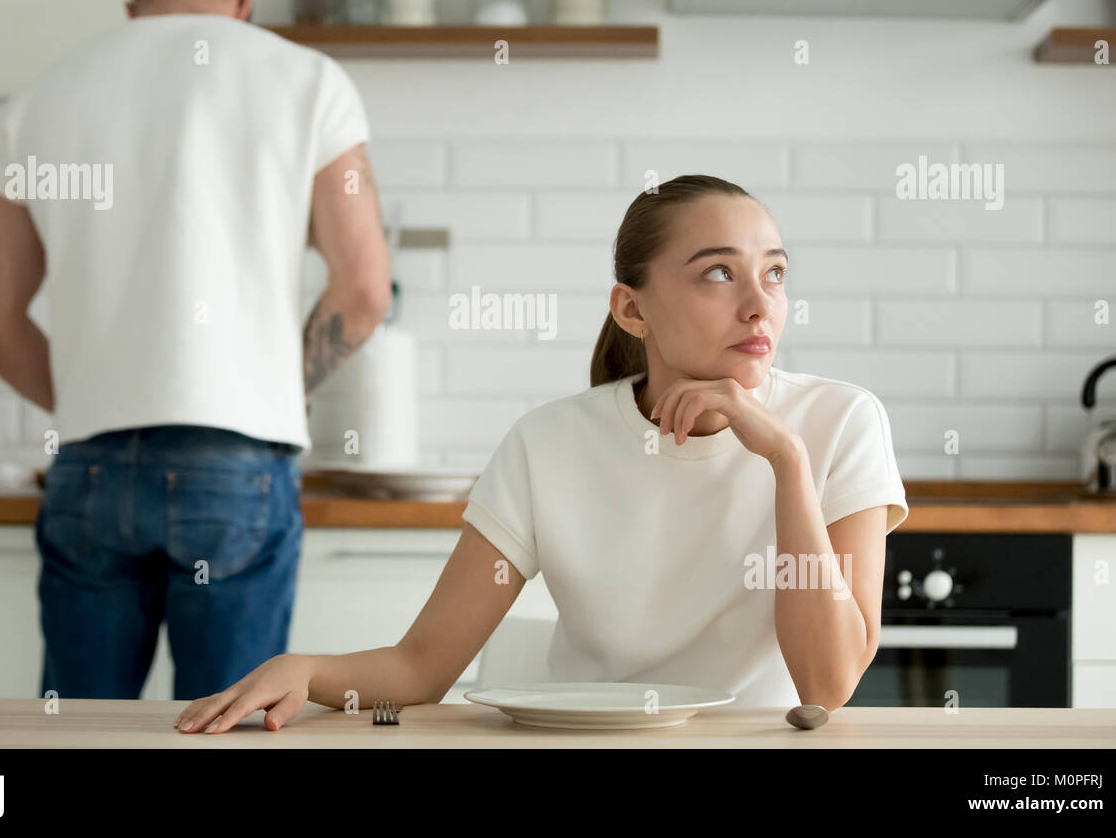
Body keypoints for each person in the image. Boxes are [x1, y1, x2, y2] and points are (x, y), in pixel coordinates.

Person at [174, 174, 909, 733]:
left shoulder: (838, 422)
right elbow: (423, 666)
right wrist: (305, 667)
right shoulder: (549, 442)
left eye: (774, 273)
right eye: (720, 272)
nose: (760, 304)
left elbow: (826, 682)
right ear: (632, 308)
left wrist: (785, 461)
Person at [0, 0, 391, 701]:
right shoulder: (308, 80)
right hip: (237, 463)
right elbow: (365, 292)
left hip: (91, 464)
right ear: (244, 6)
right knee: (225, 723)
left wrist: (103, 396)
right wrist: (264, 386)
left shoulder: (39, 98)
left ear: (134, 9)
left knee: (80, 735)